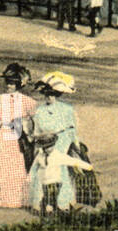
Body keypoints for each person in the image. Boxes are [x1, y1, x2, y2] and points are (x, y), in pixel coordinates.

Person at [27, 71, 83, 215]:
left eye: (52, 95)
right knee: (40, 170)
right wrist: (38, 141)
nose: (49, 97)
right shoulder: (39, 111)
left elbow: (72, 129)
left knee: (61, 170)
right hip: (45, 142)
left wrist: (75, 145)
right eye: (47, 94)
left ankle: (63, 204)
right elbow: (36, 130)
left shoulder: (67, 109)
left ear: (57, 95)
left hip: (62, 141)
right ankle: (39, 203)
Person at [0, 63, 36, 210]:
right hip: (2, 135)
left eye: (13, 83)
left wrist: (27, 129)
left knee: (17, 164)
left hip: (18, 138)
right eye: (8, 82)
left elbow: (34, 121)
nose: (9, 85)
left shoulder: (28, 102)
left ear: (20, 84)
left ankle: (16, 199)